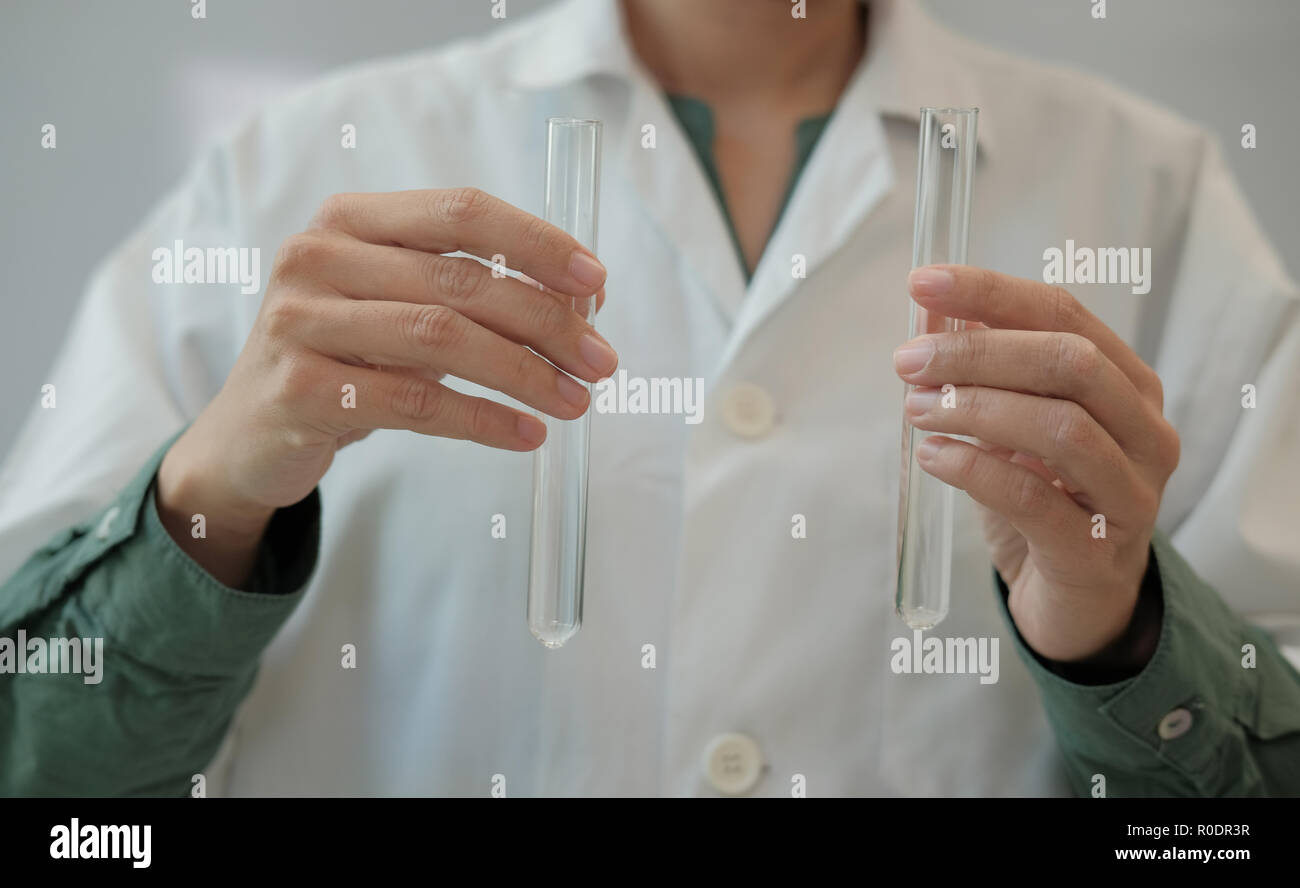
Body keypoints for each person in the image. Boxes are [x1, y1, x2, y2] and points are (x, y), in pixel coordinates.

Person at [1, 0, 1297, 797]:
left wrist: (1121, 636)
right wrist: (209, 508)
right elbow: (46, 782)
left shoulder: (1149, 192)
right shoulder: (291, 168)